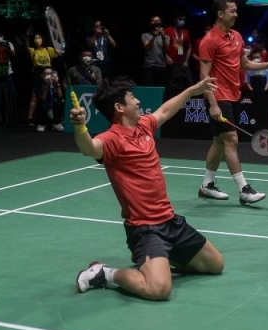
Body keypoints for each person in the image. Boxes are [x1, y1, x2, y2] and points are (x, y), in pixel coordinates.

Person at [71, 75, 225, 301]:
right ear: (119, 107)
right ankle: (105, 273)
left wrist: (194, 89)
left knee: (215, 264)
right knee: (159, 290)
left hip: (170, 221)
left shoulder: (144, 126)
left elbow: (165, 110)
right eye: (132, 98)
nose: (138, 102)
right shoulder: (111, 139)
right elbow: (90, 148)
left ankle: (159, 261)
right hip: (145, 229)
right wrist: (80, 127)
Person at [196, 0, 268, 205]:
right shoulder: (209, 41)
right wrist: (213, 104)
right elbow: (203, 77)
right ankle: (244, 189)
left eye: (236, 10)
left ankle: (207, 185)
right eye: (232, 11)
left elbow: (244, 65)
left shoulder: (236, 36)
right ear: (220, 14)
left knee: (218, 142)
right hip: (219, 96)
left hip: (234, 94)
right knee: (231, 140)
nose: (236, 14)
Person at [141, 15, 171, 87]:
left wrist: (163, 37)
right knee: (149, 87)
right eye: (154, 21)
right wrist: (154, 36)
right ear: (150, 24)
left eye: (158, 21)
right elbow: (147, 48)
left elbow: (166, 49)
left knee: (161, 87)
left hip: (162, 64)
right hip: (149, 65)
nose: (156, 23)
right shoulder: (145, 35)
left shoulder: (166, 36)